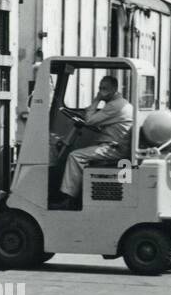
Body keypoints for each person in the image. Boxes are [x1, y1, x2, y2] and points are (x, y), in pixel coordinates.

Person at [53, 75, 134, 208]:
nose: (102, 91)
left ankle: (67, 200)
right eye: (100, 88)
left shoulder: (115, 105)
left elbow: (89, 120)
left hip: (113, 149)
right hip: (113, 146)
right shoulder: (117, 103)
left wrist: (96, 99)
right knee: (80, 152)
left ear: (114, 89)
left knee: (75, 156)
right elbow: (94, 121)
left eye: (105, 88)